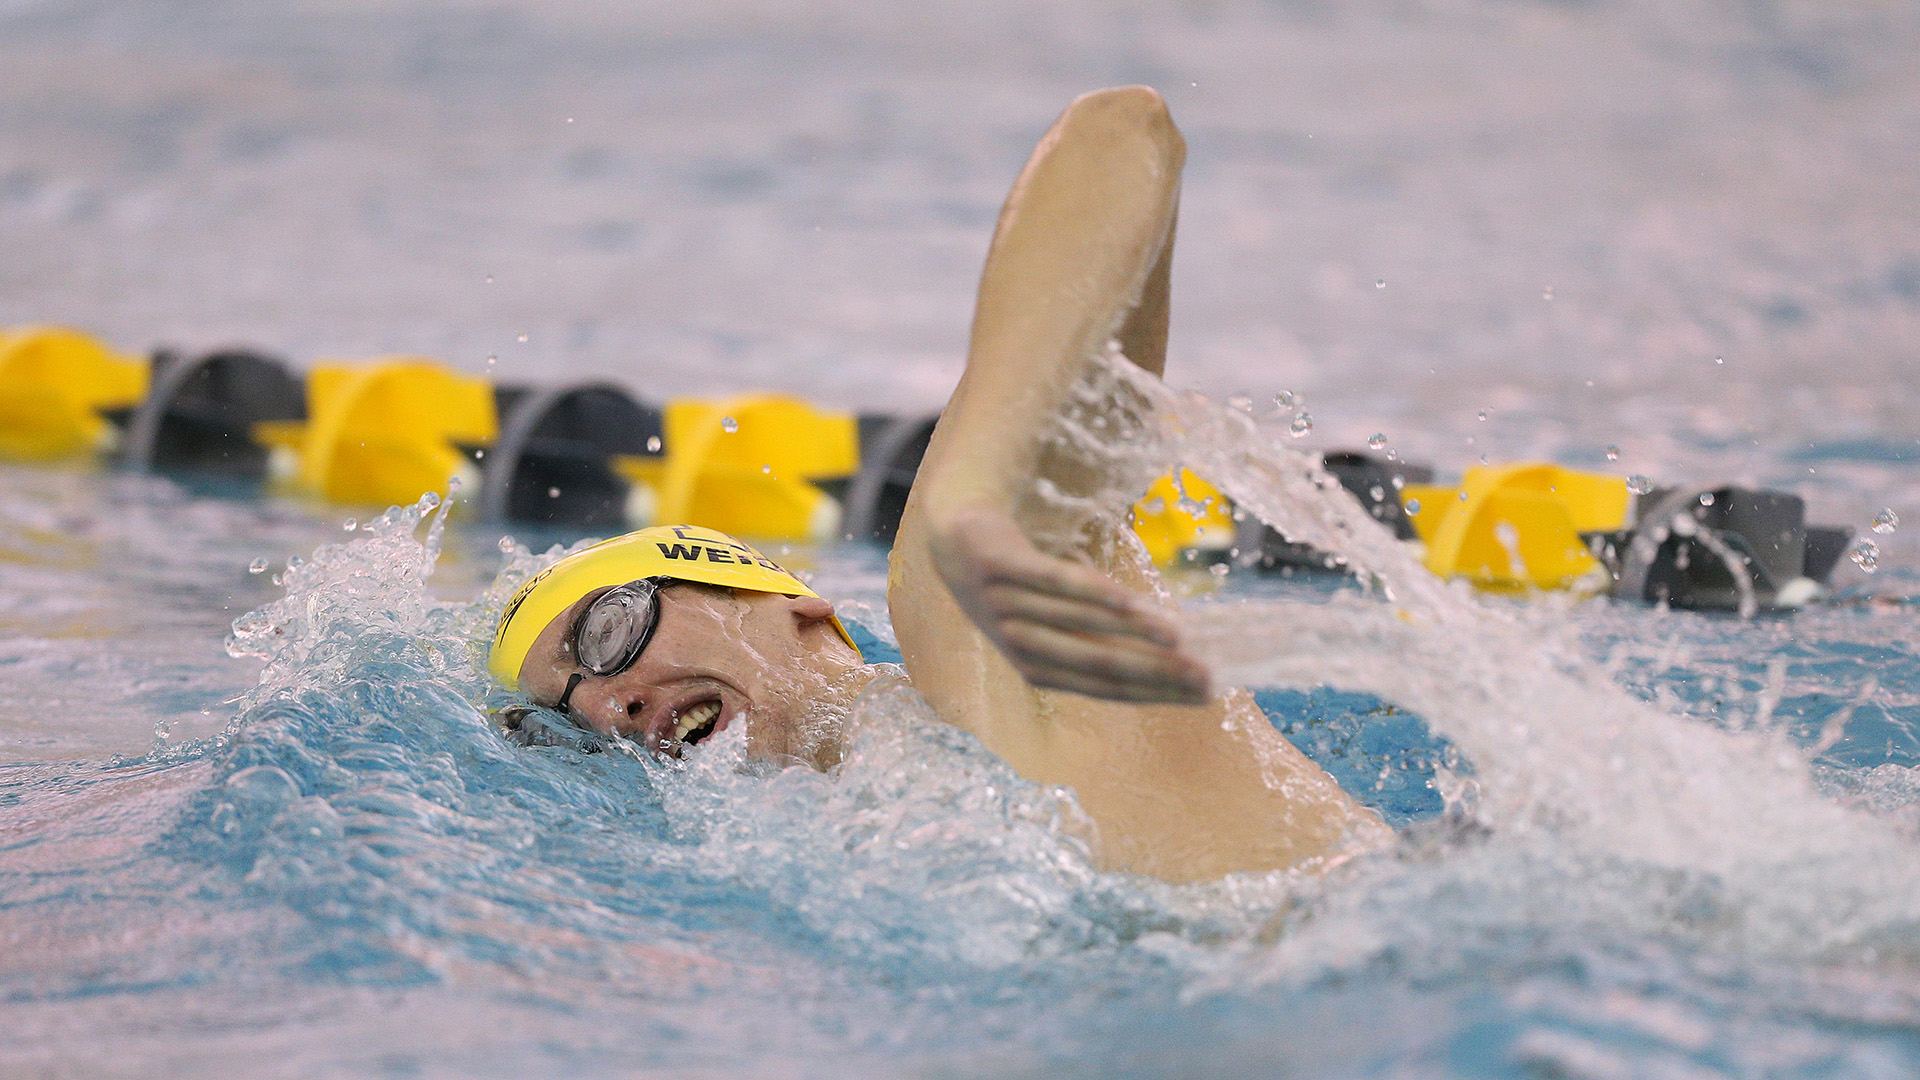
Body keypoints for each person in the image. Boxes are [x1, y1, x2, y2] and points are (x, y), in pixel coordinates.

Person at [489, 87, 1388, 883]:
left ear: (790, 604)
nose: (611, 706)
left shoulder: (975, 638)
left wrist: (972, 491)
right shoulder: (847, 869)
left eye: (607, 635)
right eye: (571, 723)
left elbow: (1126, 130)